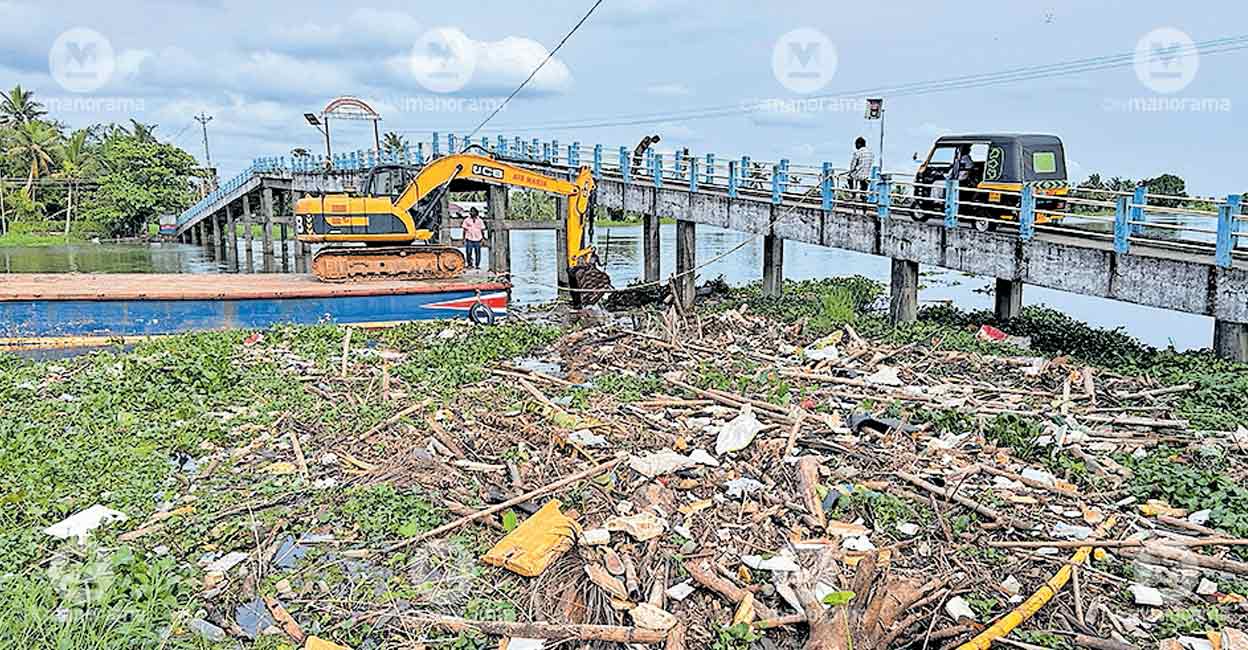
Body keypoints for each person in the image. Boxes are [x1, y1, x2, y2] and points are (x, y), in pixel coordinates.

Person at [847, 137, 875, 209]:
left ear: (859, 144)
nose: (855, 146)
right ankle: (863, 197)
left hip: (858, 174)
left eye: (856, 144)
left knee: (849, 178)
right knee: (864, 188)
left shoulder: (857, 153)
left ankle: (852, 193)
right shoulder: (871, 153)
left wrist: (851, 171)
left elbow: (852, 167)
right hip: (867, 175)